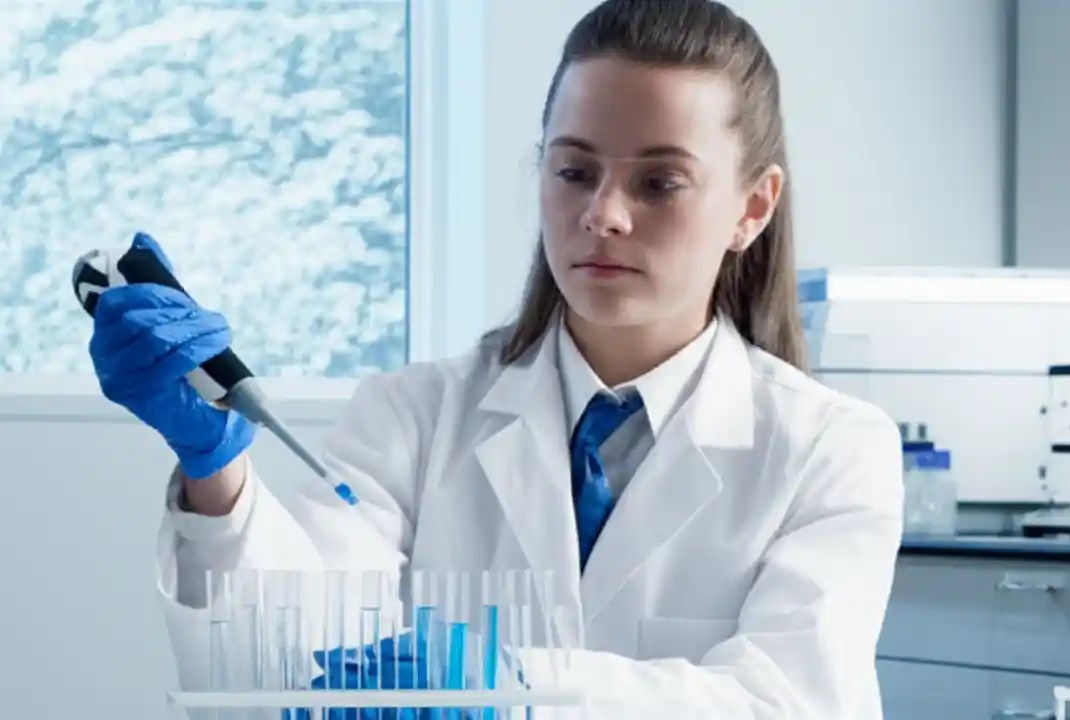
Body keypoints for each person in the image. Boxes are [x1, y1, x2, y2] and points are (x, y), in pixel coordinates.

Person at [89, 0, 904, 716]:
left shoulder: (831, 449)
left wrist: (515, 688)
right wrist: (217, 476)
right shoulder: (412, 417)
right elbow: (290, 673)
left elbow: (788, 704)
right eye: (575, 170)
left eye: (660, 183)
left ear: (751, 208)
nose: (603, 214)